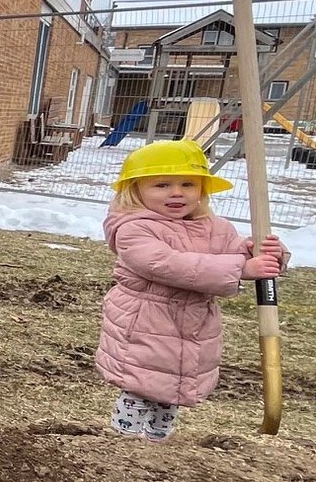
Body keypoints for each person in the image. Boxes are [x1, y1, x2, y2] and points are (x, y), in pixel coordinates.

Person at [96, 141, 286, 442]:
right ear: (135, 190)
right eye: (162, 185)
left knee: (170, 393)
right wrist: (242, 268)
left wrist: (263, 254)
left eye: (188, 184)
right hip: (147, 322)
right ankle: (123, 444)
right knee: (141, 388)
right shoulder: (133, 228)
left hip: (193, 325)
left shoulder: (214, 227)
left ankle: (158, 443)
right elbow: (166, 264)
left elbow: (236, 251)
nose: (177, 193)